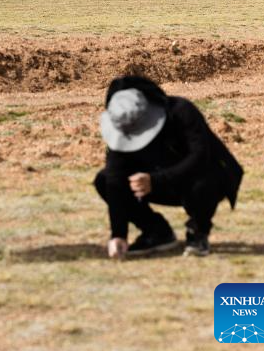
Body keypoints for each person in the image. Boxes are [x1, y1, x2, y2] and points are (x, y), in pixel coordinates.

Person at [94, 76, 243, 259]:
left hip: (198, 179)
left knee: (207, 178)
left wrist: (155, 180)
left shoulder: (182, 111)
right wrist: (118, 235)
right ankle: (156, 232)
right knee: (104, 180)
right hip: (158, 183)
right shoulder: (122, 126)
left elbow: (201, 156)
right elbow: (115, 179)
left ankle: (198, 231)